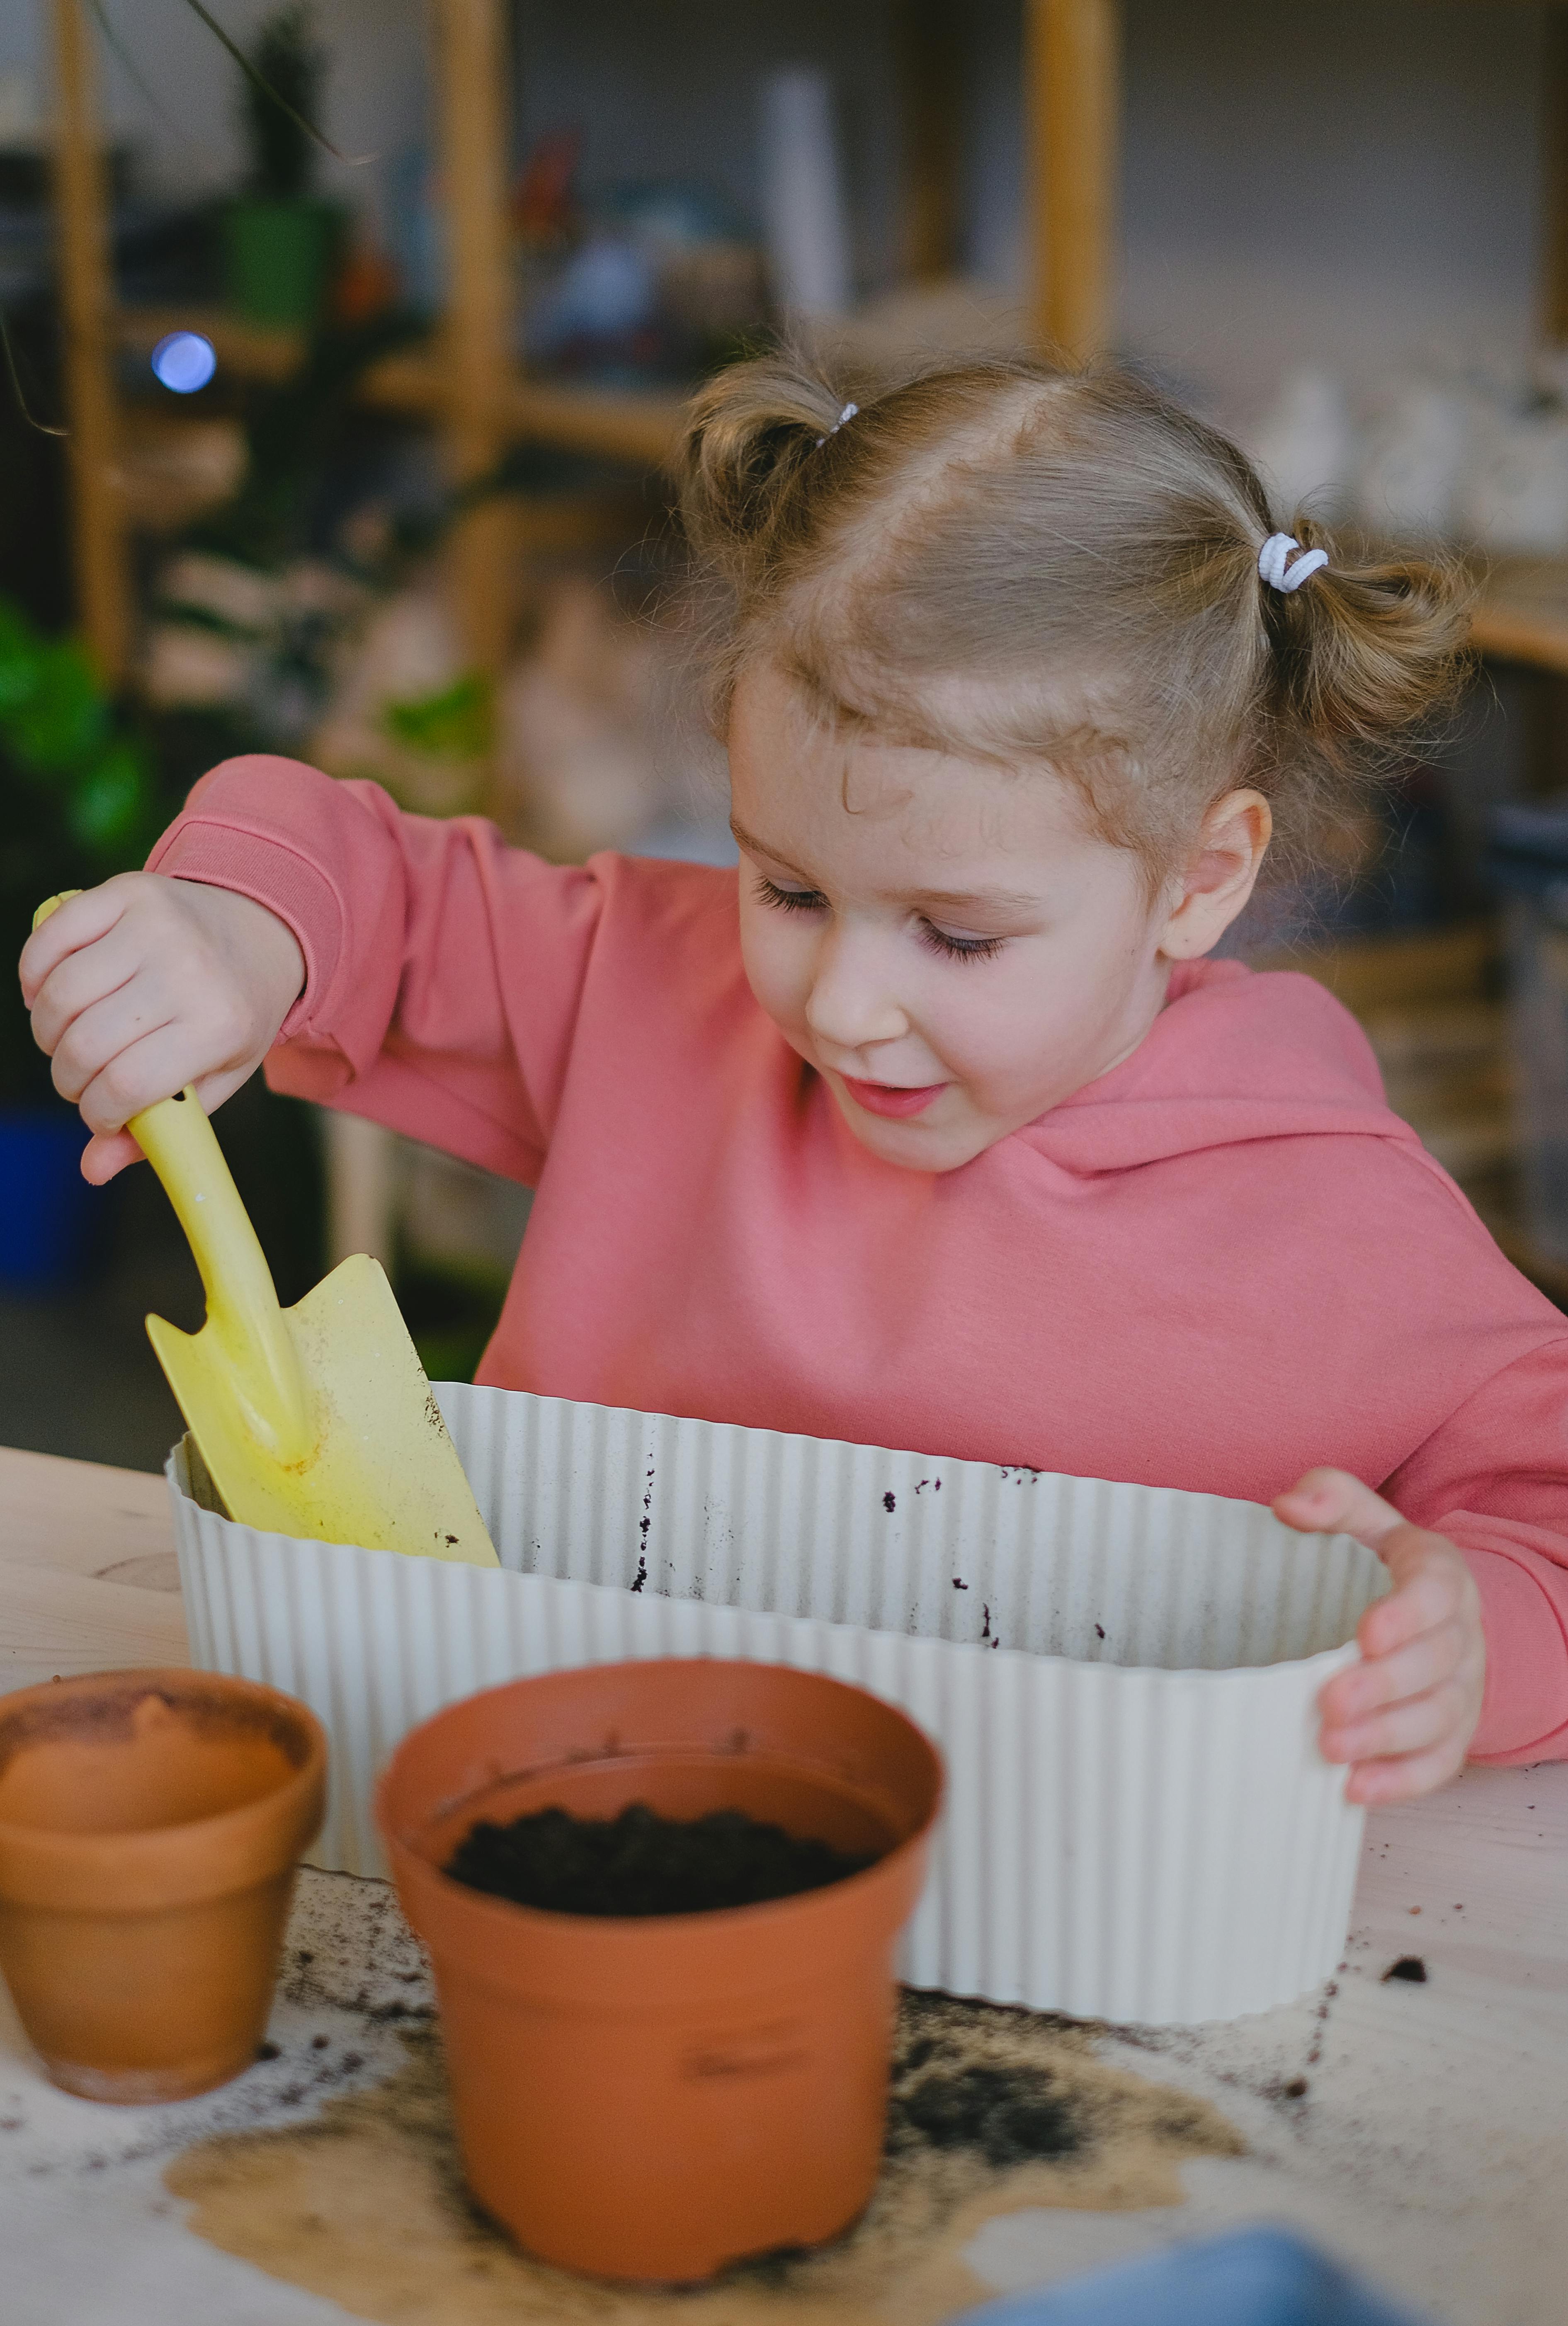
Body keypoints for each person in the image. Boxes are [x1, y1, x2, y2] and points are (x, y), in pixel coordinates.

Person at [20, 357, 1568, 1799]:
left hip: (1059, 1902)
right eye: (792, 889)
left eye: (957, 938)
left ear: (1198, 878)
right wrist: (236, 934)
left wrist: (1470, 1640)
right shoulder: (656, 993)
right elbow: (376, 882)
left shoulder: (1331, 1216)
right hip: (580, 1796)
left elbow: (1546, 1515)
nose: (840, 1005)